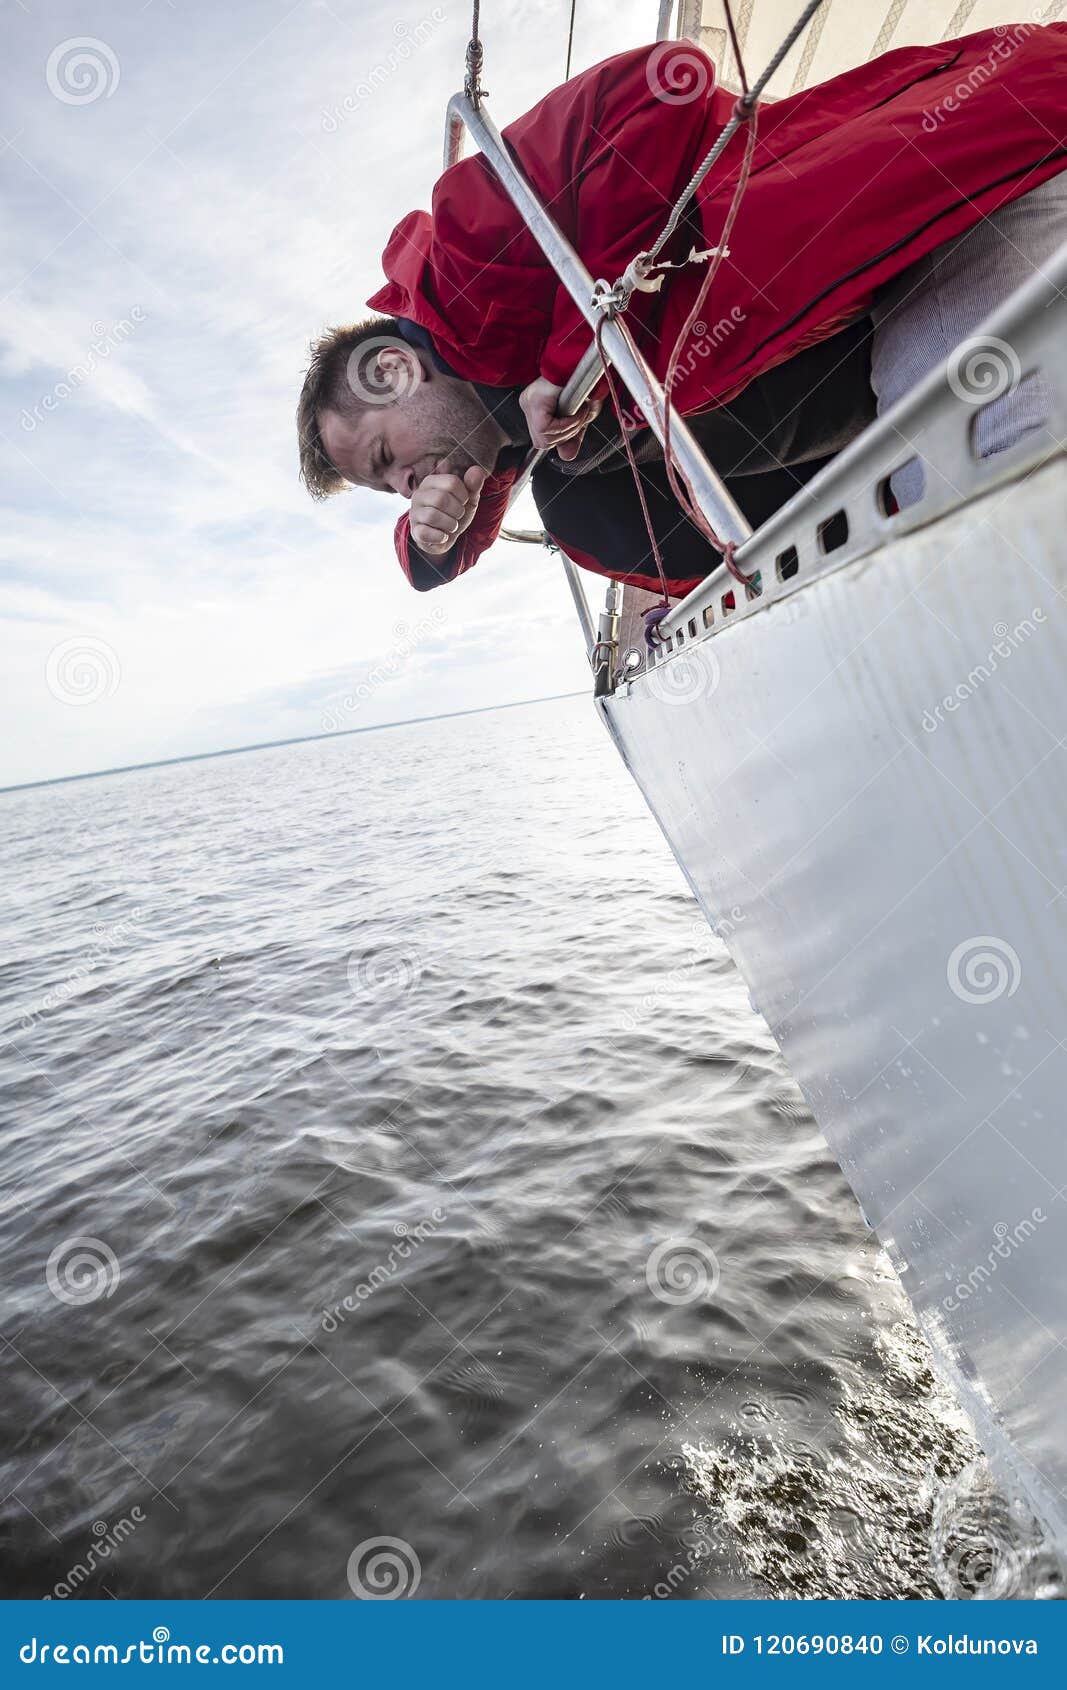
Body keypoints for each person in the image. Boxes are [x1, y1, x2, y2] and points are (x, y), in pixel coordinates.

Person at [297, 25, 1067, 599]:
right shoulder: (510, 412)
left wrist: (578, 358)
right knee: (574, 497)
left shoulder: (470, 251)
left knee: (989, 519)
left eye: (384, 462)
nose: (403, 483)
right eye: (388, 488)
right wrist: (431, 533)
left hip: (964, 195)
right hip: (891, 308)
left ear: (395, 367)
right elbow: (451, 531)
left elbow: (667, 82)